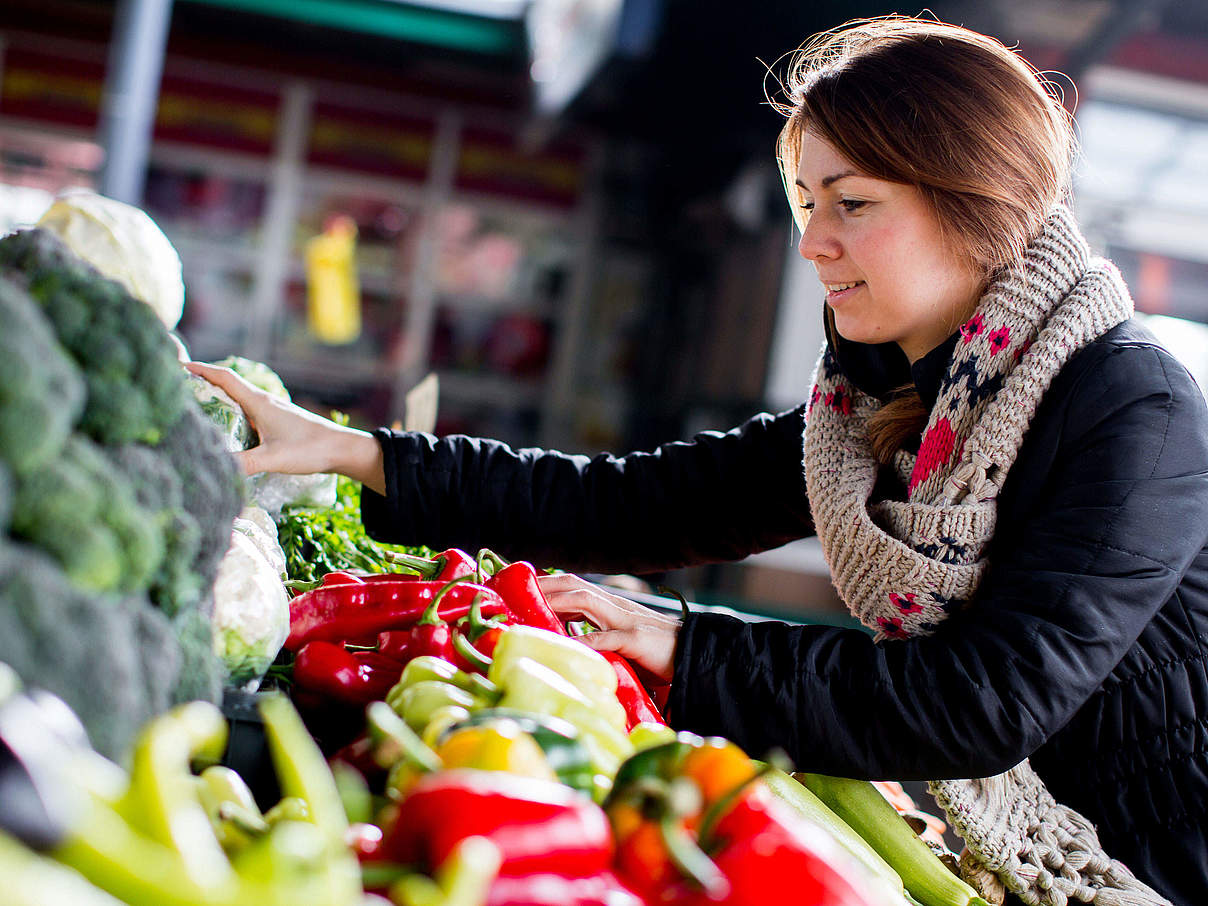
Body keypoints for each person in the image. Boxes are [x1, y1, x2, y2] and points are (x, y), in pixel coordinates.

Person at [189, 16, 1207, 905]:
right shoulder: (878, 407)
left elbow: (981, 700)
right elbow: (634, 506)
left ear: (974, 201)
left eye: (850, 203)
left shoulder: (1131, 406)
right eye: (806, 203)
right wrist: (359, 454)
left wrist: (682, 646)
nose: (812, 242)